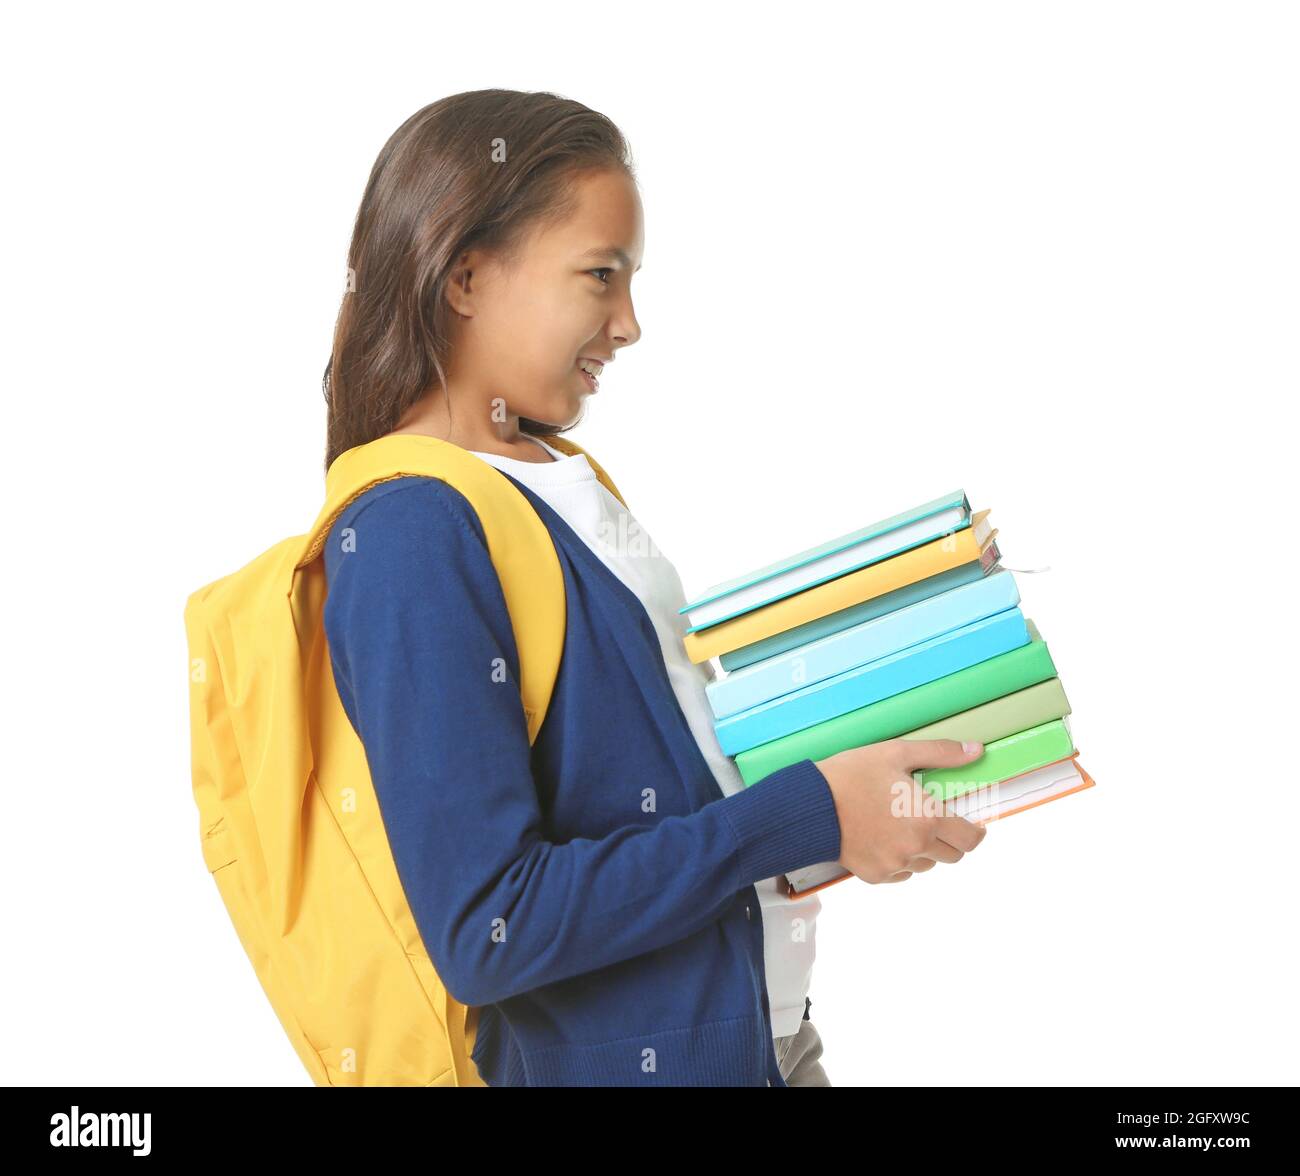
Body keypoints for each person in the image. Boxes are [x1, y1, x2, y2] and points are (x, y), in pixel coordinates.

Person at [319, 88, 987, 1087]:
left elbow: (658, 802)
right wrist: (805, 813)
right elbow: (491, 927)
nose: (628, 323)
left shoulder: (549, 487)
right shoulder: (414, 531)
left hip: (754, 1043)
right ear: (464, 276)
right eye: (599, 276)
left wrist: (899, 640)